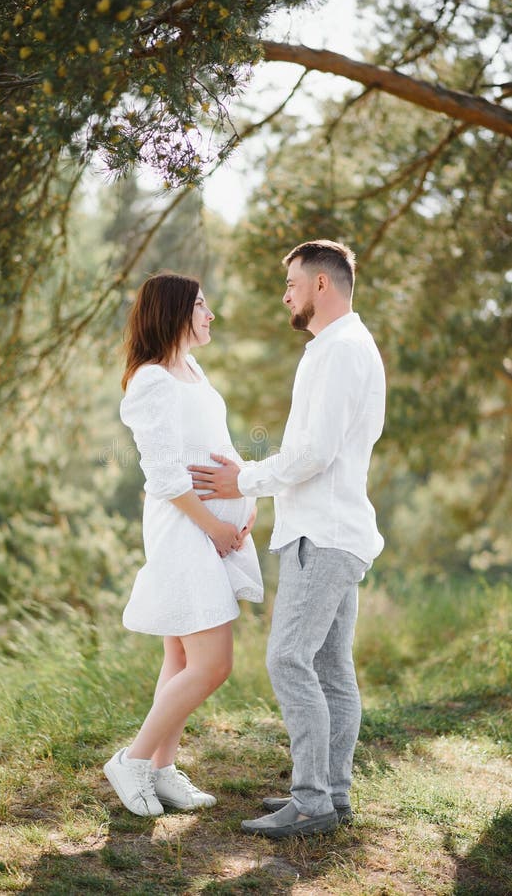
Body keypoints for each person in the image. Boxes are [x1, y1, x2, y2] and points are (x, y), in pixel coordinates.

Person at [189, 240, 386, 839]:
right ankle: (331, 795)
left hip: (323, 535)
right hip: (335, 530)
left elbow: (314, 453)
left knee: (288, 658)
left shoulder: (341, 351)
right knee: (330, 668)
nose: (287, 295)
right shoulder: (343, 346)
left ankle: (311, 801)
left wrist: (243, 477)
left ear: (322, 285)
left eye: (293, 284)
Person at [104, 272, 263, 818]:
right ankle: (133, 759)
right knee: (213, 664)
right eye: (200, 305)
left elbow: (218, 448)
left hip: (217, 530)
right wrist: (216, 527)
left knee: (179, 654)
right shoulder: (151, 381)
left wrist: (247, 496)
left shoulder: (192, 369)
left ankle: (162, 769)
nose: (210, 314)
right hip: (183, 532)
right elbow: (166, 475)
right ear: (174, 312)